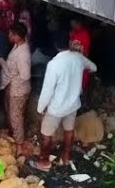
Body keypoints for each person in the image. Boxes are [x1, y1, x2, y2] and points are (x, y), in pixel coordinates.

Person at [31, 36, 97, 171]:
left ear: (55, 46)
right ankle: (65, 158)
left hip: (56, 107)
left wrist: (40, 107)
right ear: (69, 43)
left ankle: (44, 162)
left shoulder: (54, 64)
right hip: (73, 104)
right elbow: (93, 68)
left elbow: (48, 89)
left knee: (46, 134)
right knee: (69, 131)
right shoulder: (78, 58)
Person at [0, 22, 33, 153]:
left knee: (16, 116)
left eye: (11, 34)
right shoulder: (17, 46)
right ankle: (14, 136)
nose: (9, 36)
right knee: (12, 113)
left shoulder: (23, 54)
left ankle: (19, 144)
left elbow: (25, 75)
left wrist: (11, 74)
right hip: (12, 87)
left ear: (18, 36)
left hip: (18, 89)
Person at [69, 17, 94, 99]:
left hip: (81, 63)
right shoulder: (73, 32)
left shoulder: (85, 34)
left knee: (80, 86)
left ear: (79, 23)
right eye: (72, 25)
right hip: (73, 63)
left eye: (75, 24)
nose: (73, 26)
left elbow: (85, 53)